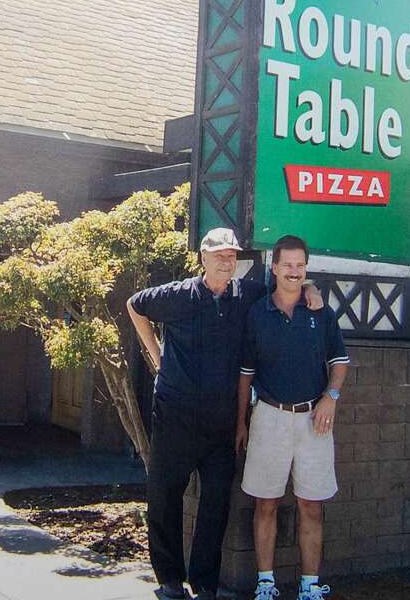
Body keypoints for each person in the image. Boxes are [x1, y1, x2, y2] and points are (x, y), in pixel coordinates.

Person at [127, 228, 322, 600]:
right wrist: (158, 358)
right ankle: (169, 578)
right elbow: (135, 305)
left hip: (222, 416)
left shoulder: (245, 294)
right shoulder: (177, 295)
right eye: (218, 255)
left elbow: (287, 281)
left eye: (231, 255)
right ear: (203, 258)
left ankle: (204, 581)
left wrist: (310, 288)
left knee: (216, 500)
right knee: (166, 494)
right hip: (175, 411)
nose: (225, 261)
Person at [235, 235, 350, 600]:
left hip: (314, 421)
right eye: (287, 264)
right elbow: (245, 374)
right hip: (269, 417)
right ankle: (266, 583)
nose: (294, 272)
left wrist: (331, 398)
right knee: (265, 504)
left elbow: (340, 363)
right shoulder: (258, 313)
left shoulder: (320, 312)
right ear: (274, 267)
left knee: (311, 506)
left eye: (301, 266)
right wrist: (240, 421)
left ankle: (309, 586)